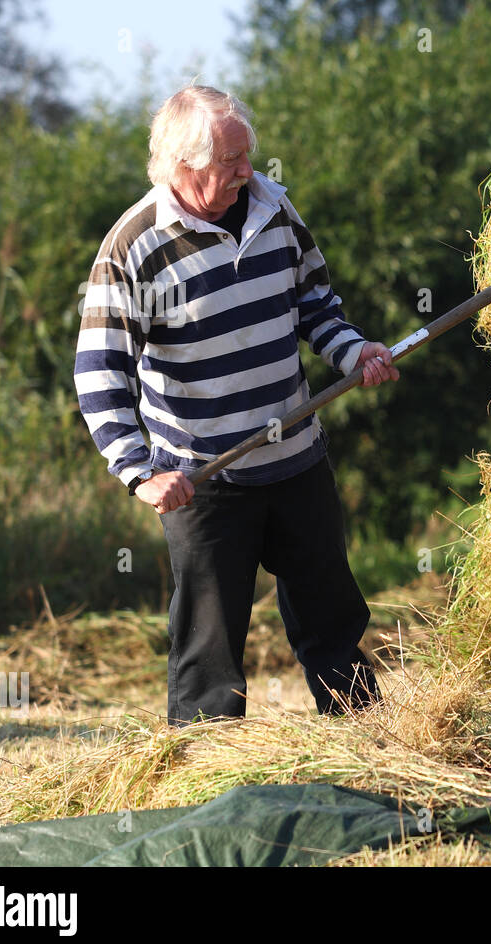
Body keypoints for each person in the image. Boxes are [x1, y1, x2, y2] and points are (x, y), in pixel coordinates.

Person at [74, 85, 398, 725]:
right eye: (231, 162)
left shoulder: (274, 210)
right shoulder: (135, 246)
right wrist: (140, 472)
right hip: (205, 480)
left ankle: (373, 745)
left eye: (247, 156)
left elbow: (315, 307)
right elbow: (99, 370)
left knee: (332, 618)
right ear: (182, 165)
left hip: (297, 458)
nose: (248, 172)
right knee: (209, 654)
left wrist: (353, 353)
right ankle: (205, 781)